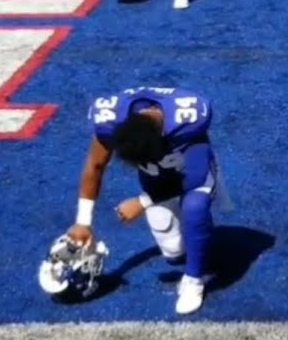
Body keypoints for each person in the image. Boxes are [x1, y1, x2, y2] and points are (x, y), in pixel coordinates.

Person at [68, 86, 223, 315]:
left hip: (194, 174)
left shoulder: (188, 122)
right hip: (156, 182)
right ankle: (197, 231)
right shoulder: (111, 120)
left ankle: (193, 281)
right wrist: (83, 221)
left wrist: (143, 202)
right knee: (174, 253)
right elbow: (96, 165)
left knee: (194, 206)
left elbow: (196, 177)